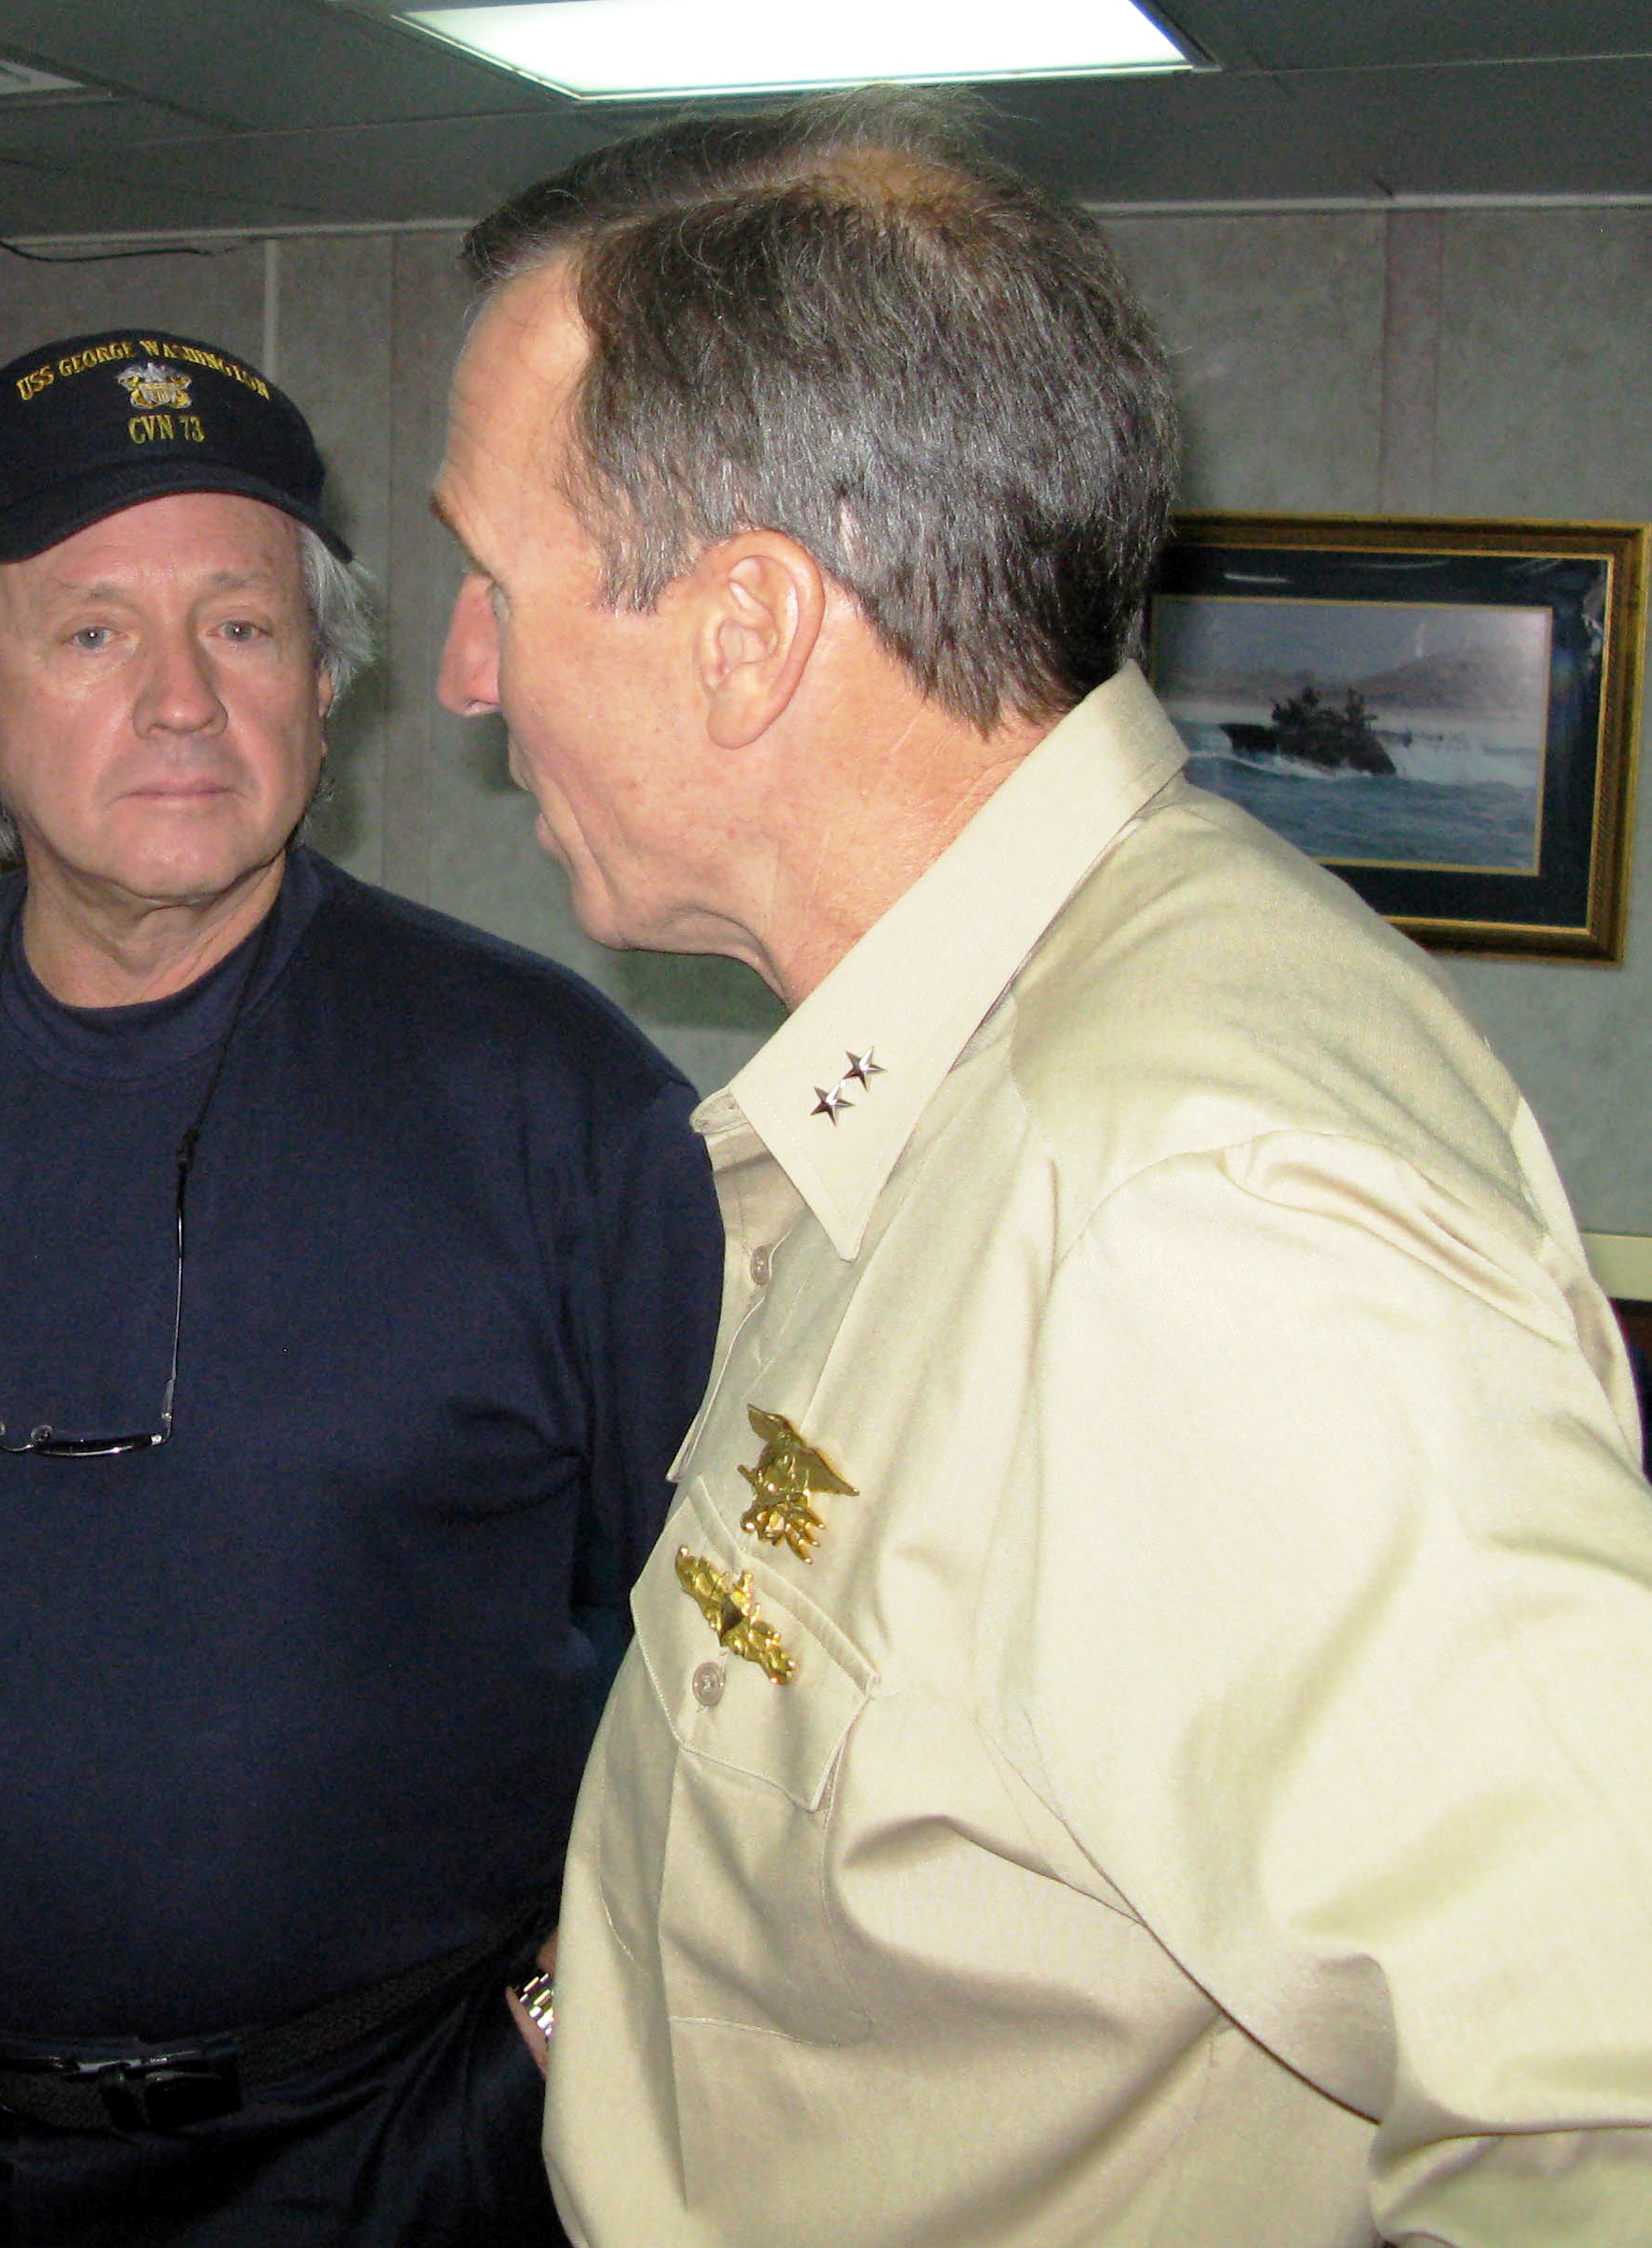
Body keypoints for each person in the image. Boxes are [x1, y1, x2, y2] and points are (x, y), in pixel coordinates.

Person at [434, 88, 1652, 2244]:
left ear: (743, 631)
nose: (460, 675)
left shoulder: (1183, 1195)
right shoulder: (977, 1062)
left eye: (489, 579)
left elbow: (1603, 2107)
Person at [0, 326, 722, 2242]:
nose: (184, 703)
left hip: (383, 2150)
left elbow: (754, 1684)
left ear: (331, 680)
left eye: (246, 628)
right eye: (94, 633)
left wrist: (540, 2041)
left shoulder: (561, 1106)